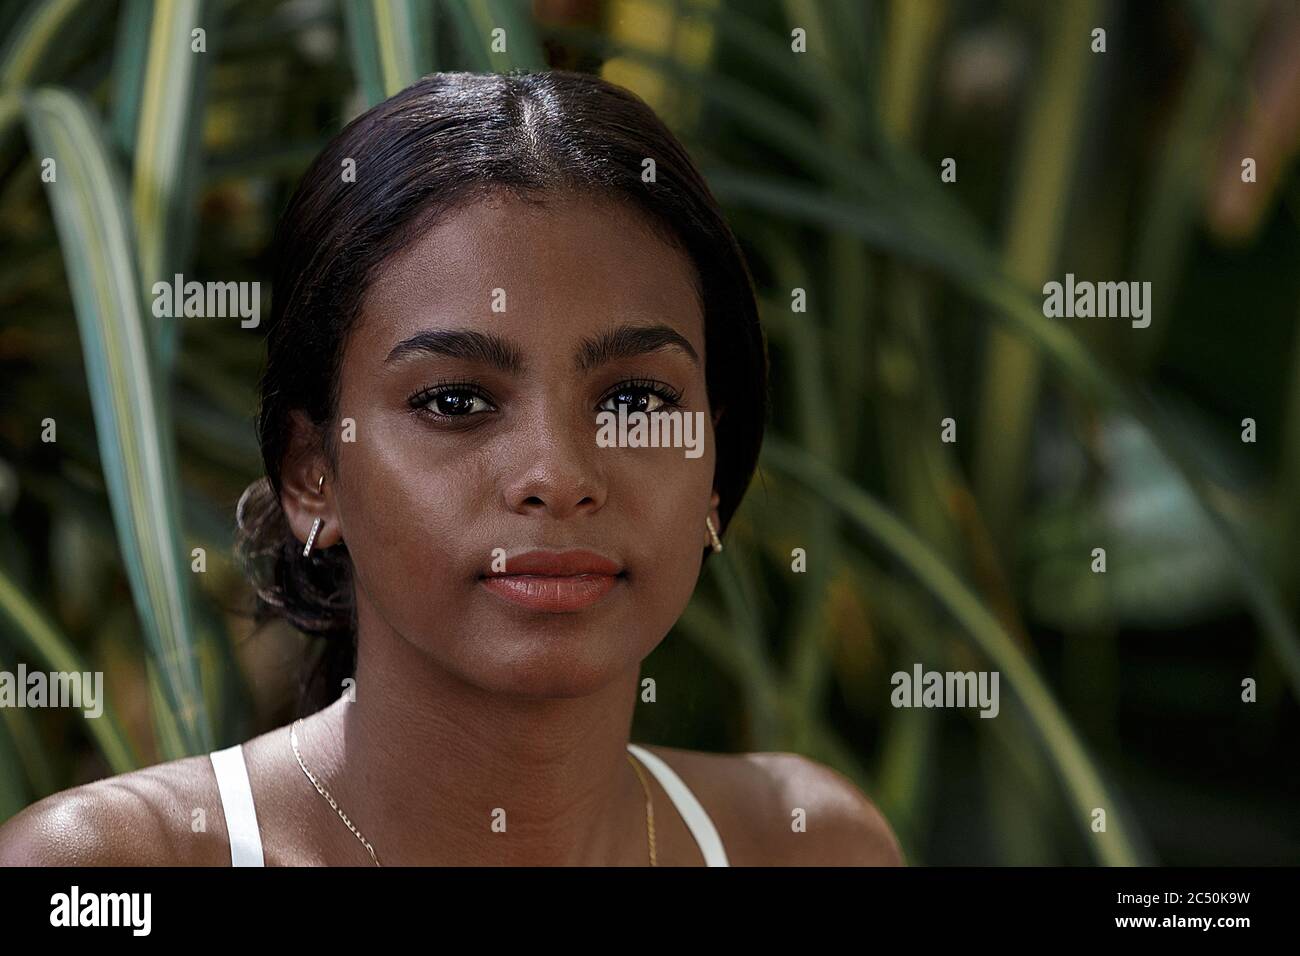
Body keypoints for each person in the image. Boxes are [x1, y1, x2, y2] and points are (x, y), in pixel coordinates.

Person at [0, 70, 902, 866]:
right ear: (314, 472)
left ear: (713, 469)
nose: (557, 474)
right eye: (455, 402)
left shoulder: (809, 844)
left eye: (635, 402)